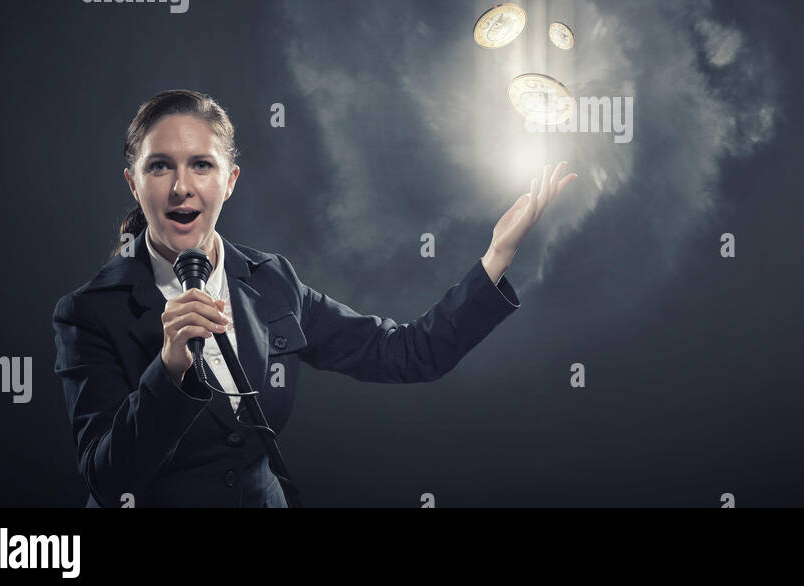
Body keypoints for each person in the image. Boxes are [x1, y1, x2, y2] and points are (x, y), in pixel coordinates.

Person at [51, 89, 577, 507]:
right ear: (133, 182)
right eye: (160, 166)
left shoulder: (272, 281)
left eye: (202, 165)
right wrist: (166, 371)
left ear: (230, 180)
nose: (181, 187)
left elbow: (408, 353)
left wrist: (495, 259)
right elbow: (107, 477)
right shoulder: (89, 313)